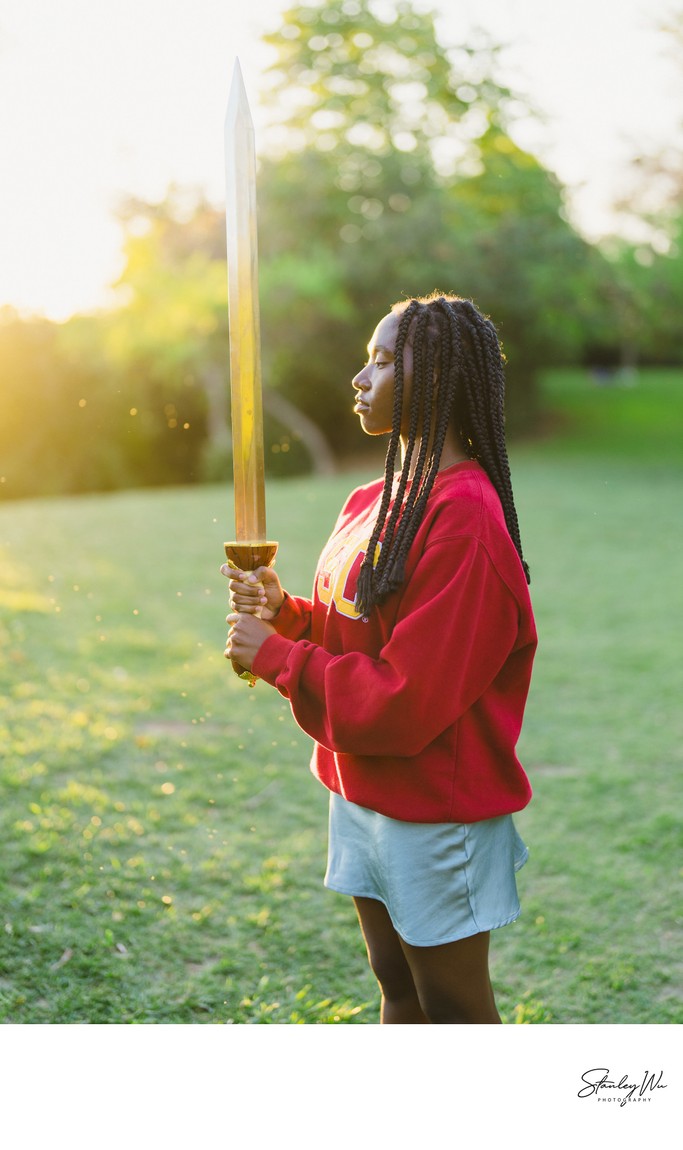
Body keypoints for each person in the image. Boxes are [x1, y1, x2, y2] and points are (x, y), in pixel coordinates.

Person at [222, 293, 537, 1024]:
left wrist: (276, 658)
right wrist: (287, 614)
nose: (361, 377)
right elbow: (355, 633)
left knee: (453, 1010)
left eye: (384, 359)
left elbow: (405, 698)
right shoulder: (372, 499)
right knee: (395, 986)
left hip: (432, 810)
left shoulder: (466, 522)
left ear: (439, 379)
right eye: (367, 358)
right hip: (359, 790)